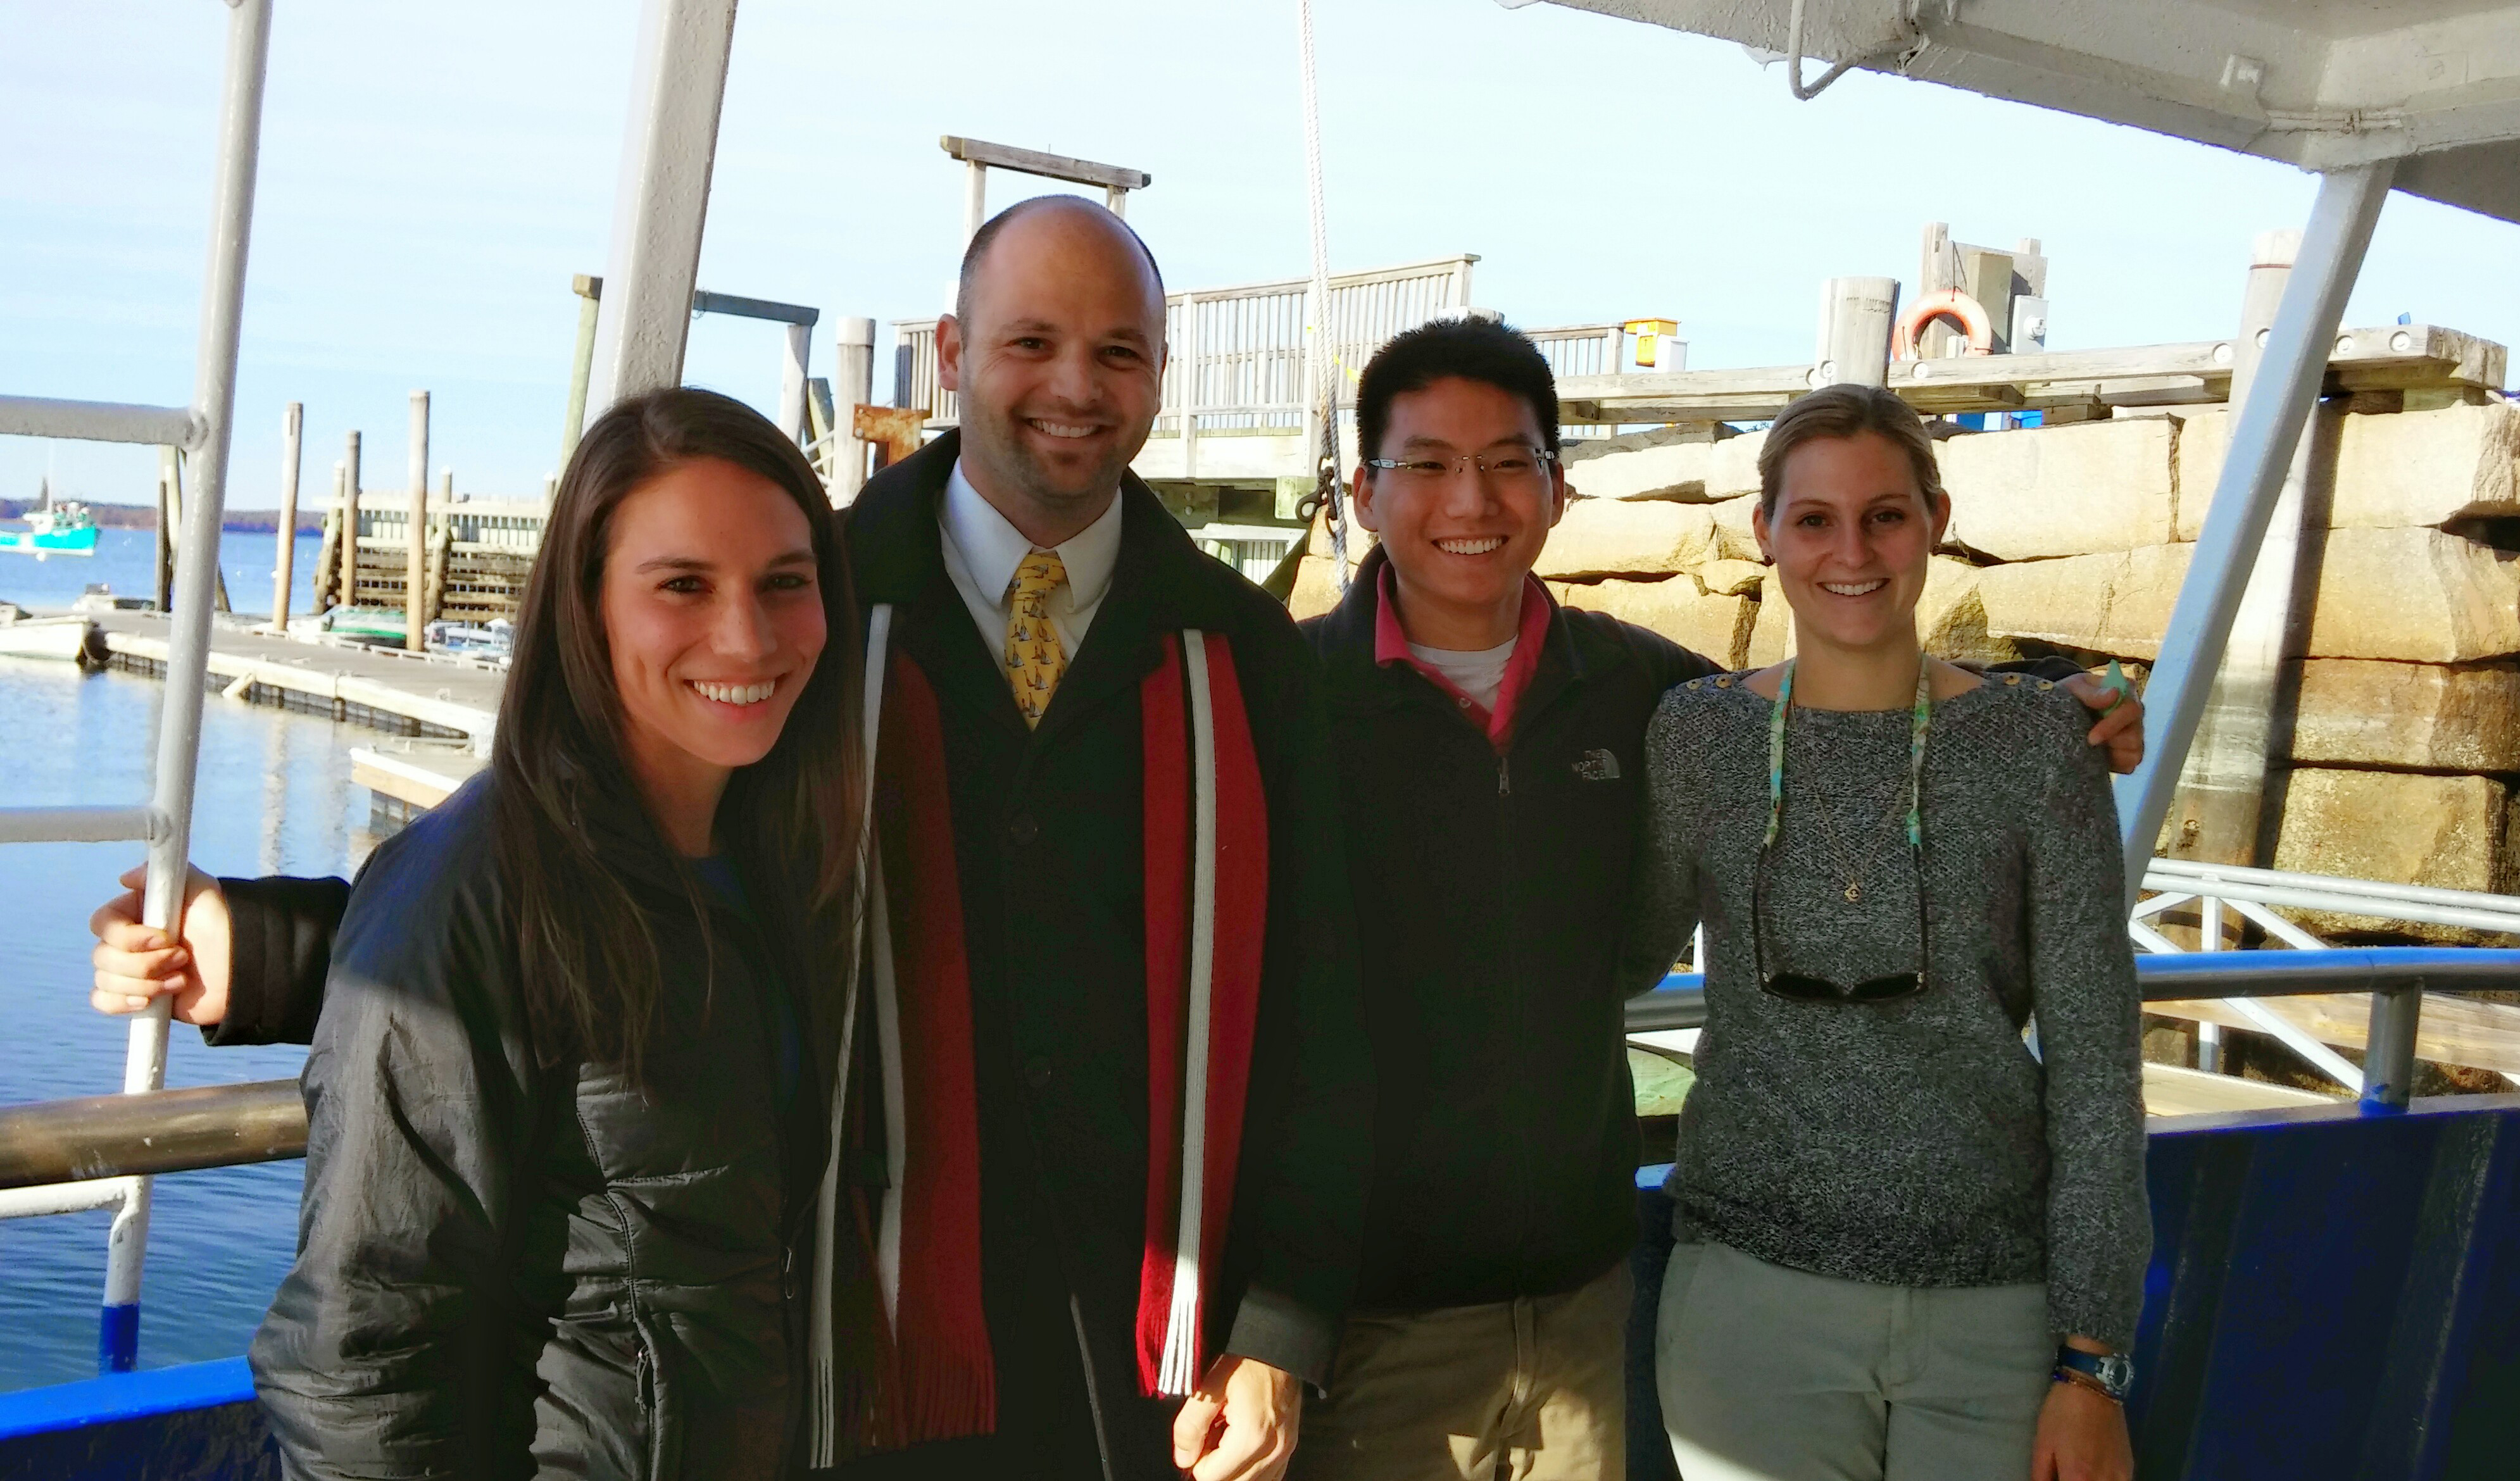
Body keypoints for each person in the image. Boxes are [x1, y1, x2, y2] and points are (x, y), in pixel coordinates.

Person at [88, 196, 1367, 1481]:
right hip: (855, 1355)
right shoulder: (819, 607)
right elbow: (596, 883)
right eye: (1030, 341)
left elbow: (1319, 994)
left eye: (1118, 352)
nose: (1074, 387)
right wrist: (269, 947)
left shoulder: (1239, 655)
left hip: (1147, 1362)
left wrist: (1284, 1324)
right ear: (950, 353)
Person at [1290, 323, 2148, 1481]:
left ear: (1556, 484)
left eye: (1507, 460)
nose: (1470, 498)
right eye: (1429, 463)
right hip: (1390, 1306)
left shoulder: (1650, 695)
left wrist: (2056, 699)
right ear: (1365, 488)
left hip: (1645, 1304)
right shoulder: (1279, 695)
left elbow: (1854, 703)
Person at [249, 387, 865, 1477]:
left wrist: (266, 954)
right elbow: (358, 1357)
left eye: (786, 582)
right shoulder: (473, 886)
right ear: (584, 606)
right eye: (683, 584)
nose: (749, 635)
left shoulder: (777, 855)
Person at [1624, 384, 2148, 1481]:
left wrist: (2091, 1365)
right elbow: (1619, 953)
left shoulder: (2038, 746)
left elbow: (2098, 1072)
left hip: (1994, 1319)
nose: (1850, 550)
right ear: (1766, 532)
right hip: (1747, 1302)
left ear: (1936, 522)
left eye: (1886, 516)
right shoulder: (1697, 737)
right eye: (1813, 519)